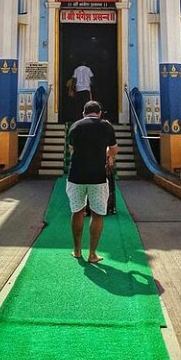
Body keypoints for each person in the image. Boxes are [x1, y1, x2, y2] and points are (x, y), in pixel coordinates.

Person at [66, 100, 117, 262]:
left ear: (83, 113)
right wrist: (107, 155)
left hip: (76, 175)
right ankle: (92, 254)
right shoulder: (106, 126)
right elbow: (113, 149)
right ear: (100, 113)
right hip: (98, 176)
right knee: (97, 214)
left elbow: (72, 149)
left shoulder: (75, 126)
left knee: (77, 211)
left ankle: (77, 250)